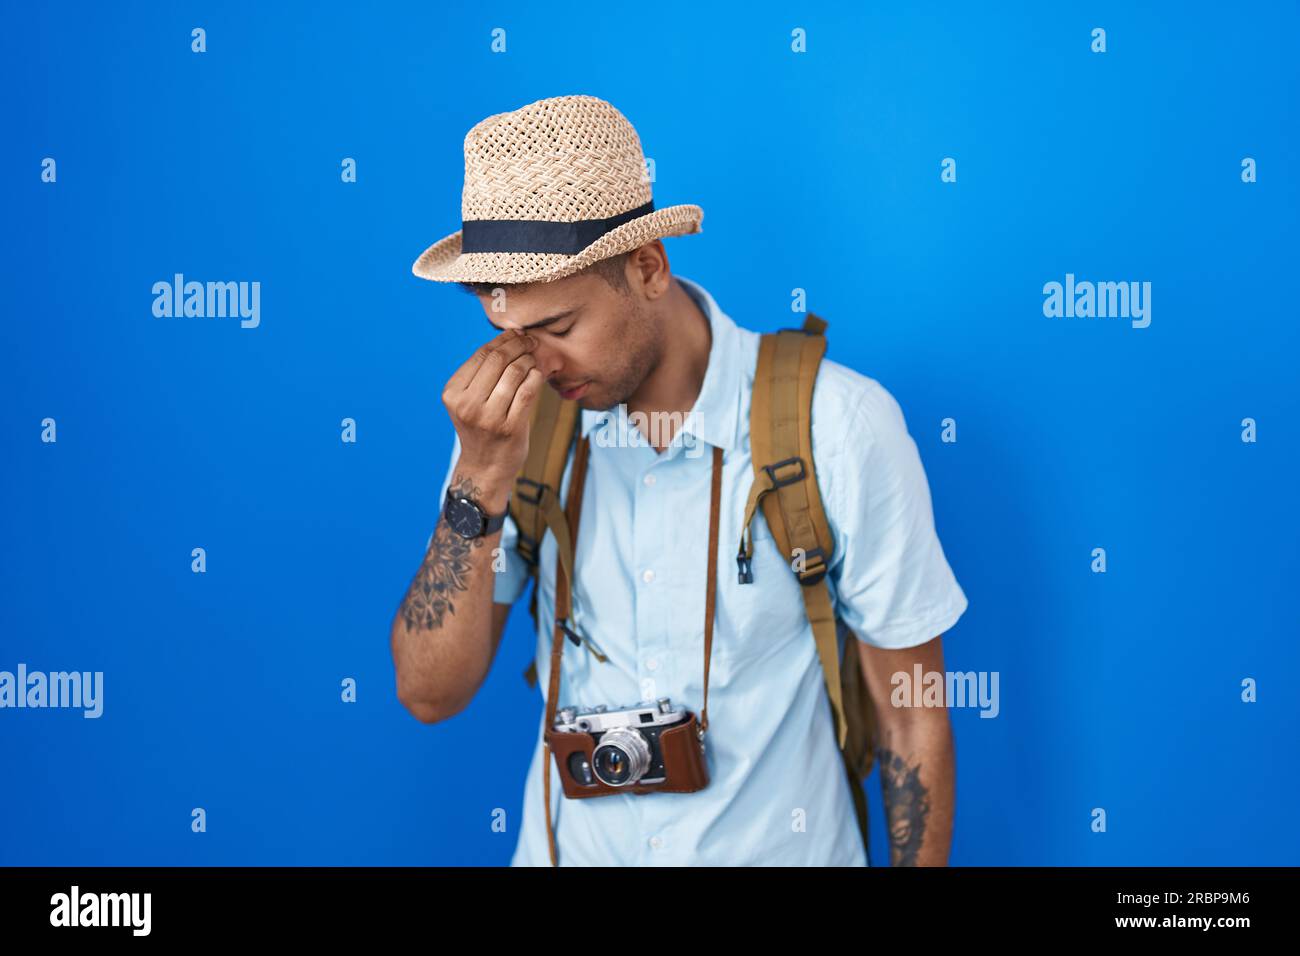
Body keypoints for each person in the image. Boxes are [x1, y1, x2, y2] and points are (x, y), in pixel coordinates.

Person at [390, 94, 968, 866]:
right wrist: (478, 484)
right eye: (507, 336)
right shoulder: (510, 439)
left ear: (648, 268)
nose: (532, 365)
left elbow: (911, 717)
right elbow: (430, 693)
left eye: (559, 328)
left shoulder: (840, 425)